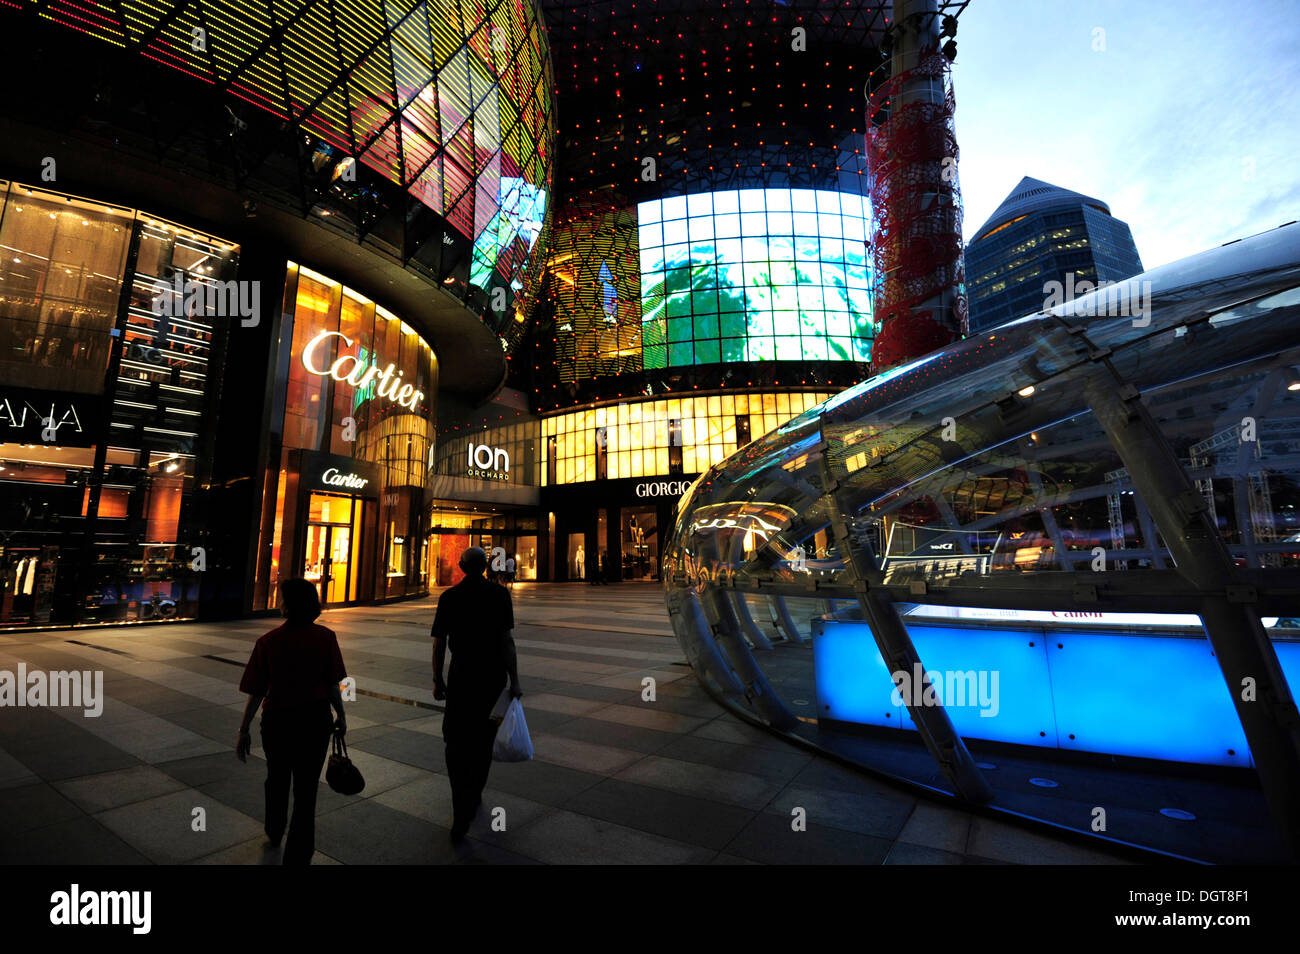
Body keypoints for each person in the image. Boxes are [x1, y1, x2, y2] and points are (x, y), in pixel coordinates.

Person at [236, 578, 347, 865]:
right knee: (307, 788)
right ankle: (300, 852)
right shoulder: (325, 637)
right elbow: (332, 683)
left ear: (288, 604)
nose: (277, 601)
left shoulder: (269, 642)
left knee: (277, 777)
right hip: (315, 721)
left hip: (278, 722)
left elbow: (258, 690)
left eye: (280, 596)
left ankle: (274, 828)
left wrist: (244, 728)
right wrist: (340, 714)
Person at [431, 546, 522, 841]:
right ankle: (474, 793)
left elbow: (439, 642)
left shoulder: (449, 598)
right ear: (486, 566)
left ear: (460, 565)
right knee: (483, 740)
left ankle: (461, 802)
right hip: (491, 678)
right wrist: (515, 680)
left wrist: (437, 679)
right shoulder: (499, 596)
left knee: (455, 740)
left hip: (461, 676)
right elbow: (507, 641)